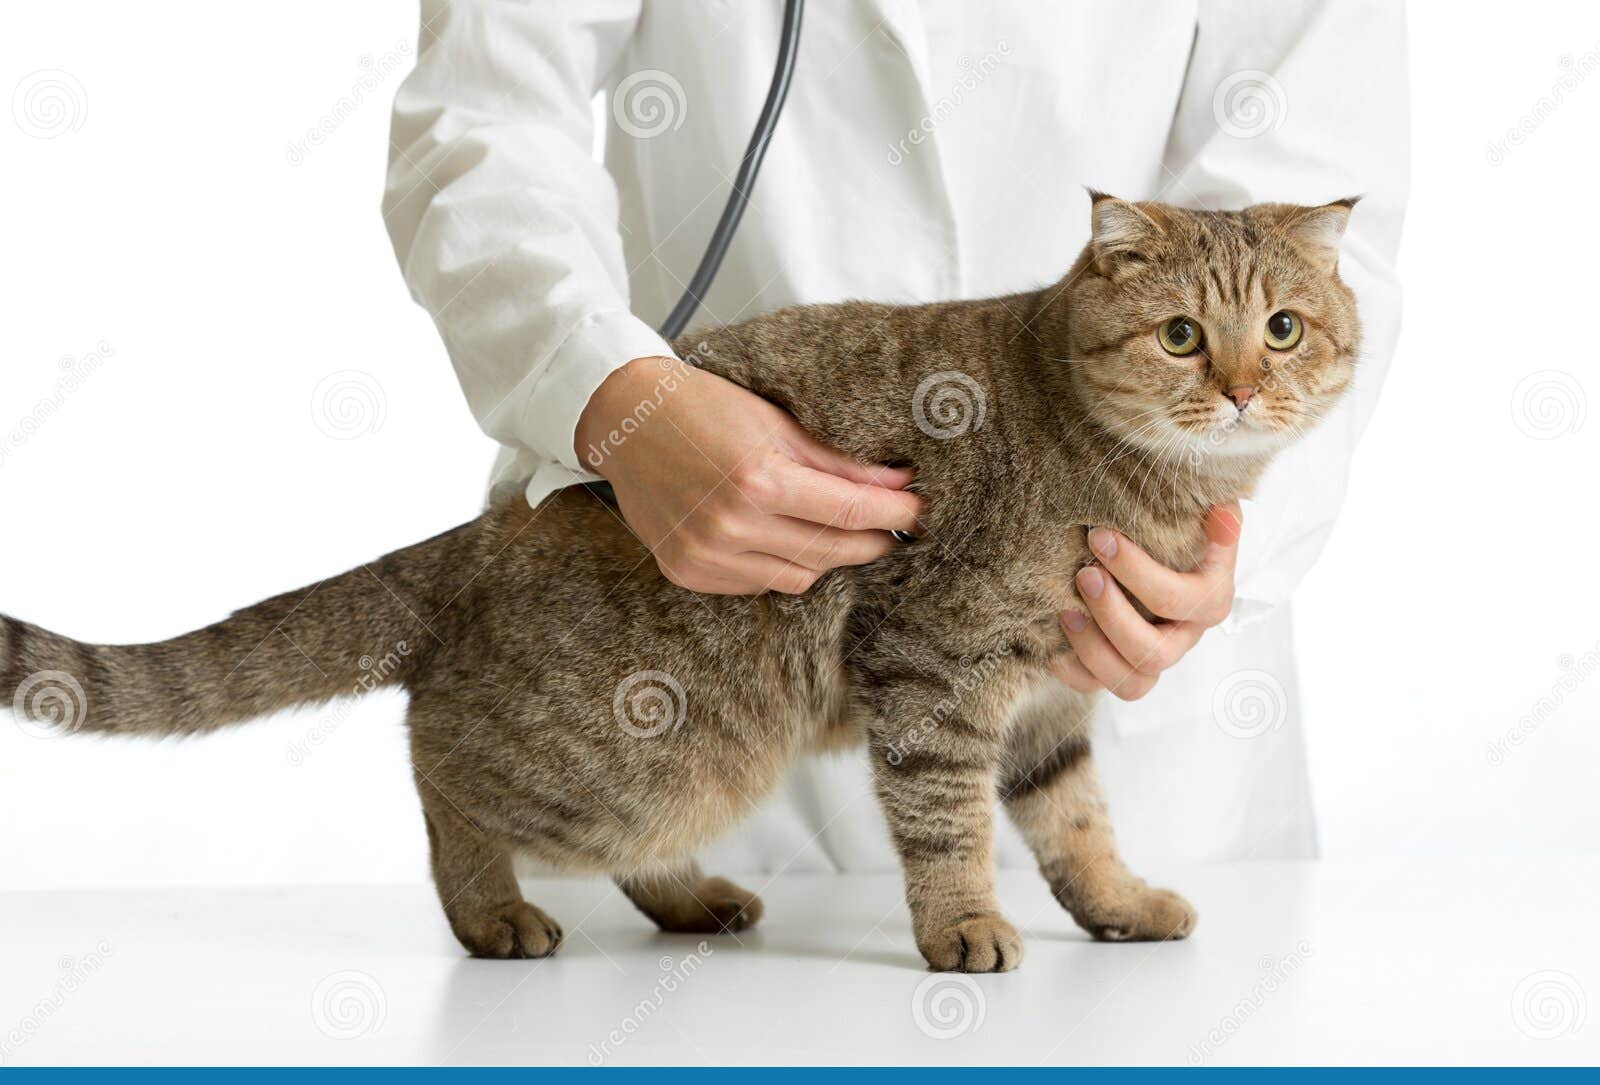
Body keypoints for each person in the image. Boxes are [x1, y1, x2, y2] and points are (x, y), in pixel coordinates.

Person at [382, 1, 1407, 873]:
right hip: (684, 619)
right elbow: (482, 112)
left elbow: (1308, 218)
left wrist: (1221, 554)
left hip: (1148, 732)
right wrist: (611, 394)